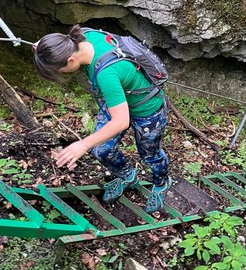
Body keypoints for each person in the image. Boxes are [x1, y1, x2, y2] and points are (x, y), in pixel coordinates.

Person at [32, 26, 173, 212]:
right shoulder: (83, 36)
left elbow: (120, 121)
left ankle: (162, 182)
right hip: (116, 100)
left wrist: (82, 145)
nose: (63, 73)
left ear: (71, 60)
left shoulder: (108, 74)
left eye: (61, 70)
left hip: (147, 109)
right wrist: (45, 48)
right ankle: (128, 176)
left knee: (150, 154)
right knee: (101, 150)